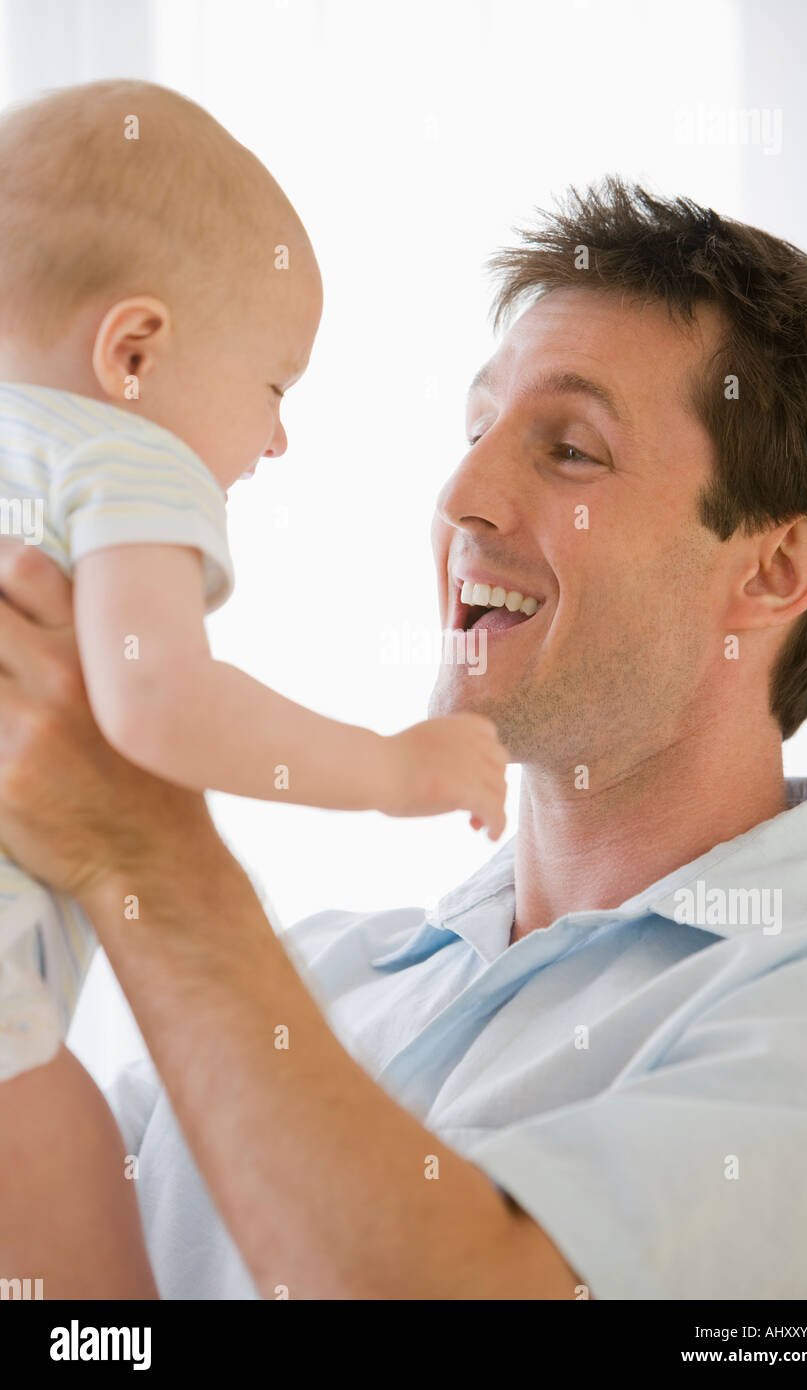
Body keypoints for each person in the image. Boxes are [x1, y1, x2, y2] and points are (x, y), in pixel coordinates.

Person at [0, 179, 807, 1299]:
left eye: (568, 450)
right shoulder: (312, 981)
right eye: (472, 430)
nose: (460, 493)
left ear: (775, 568)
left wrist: (145, 847)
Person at [0, 78, 506, 1299]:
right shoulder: (121, 450)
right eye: (276, 384)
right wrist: (396, 768)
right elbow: (153, 702)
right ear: (136, 350)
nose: (276, 441)